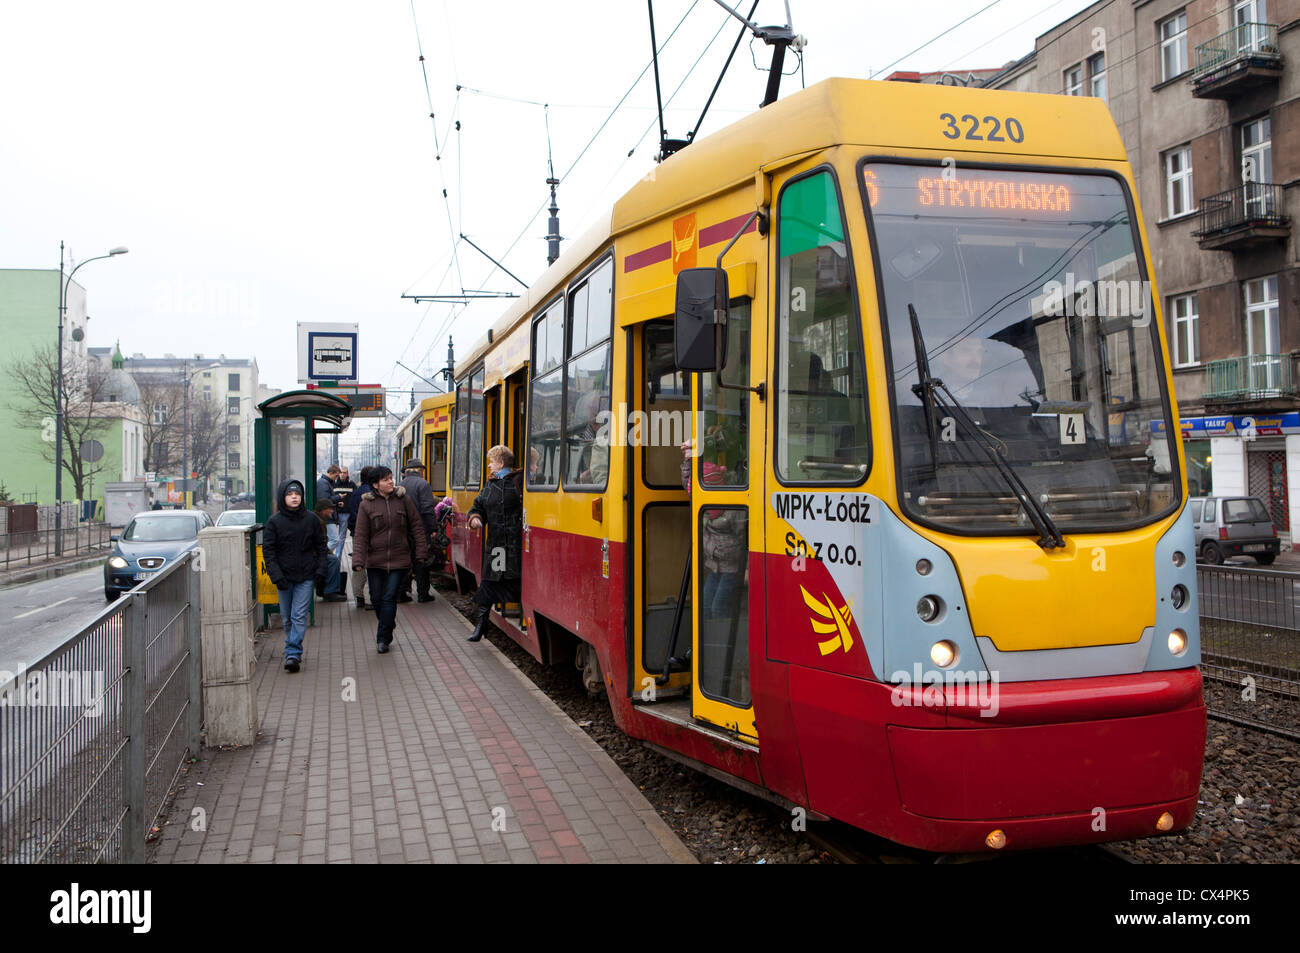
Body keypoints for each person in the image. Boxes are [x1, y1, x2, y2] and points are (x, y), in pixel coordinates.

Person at [353, 466, 429, 653]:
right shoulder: (366, 505)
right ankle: (388, 623)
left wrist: (421, 552)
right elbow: (361, 535)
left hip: (399, 559)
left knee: (388, 598)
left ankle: (383, 638)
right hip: (375, 561)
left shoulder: (404, 500)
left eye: (391, 478)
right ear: (375, 484)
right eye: (385, 479)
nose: (390, 482)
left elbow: (417, 527)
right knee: (377, 599)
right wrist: (358, 560)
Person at [263, 479, 328, 672]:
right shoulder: (274, 522)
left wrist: (320, 570)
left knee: (299, 615)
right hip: (283, 577)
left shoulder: (311, 519)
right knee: (287, 618)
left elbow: (321, 546)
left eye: (297, 494)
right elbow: (269, 551)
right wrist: (276, 576)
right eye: (290, 494)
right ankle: (294, 650)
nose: (294, 497)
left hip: (305, 576)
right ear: (283, 497)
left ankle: (292, 653)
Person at [466, 445, 523, 643]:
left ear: (500, 463)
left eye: (491, 462)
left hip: (517, 546)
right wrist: (474, 518)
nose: (489, 466)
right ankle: (481, 625)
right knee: (490, 582)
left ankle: (524, 620)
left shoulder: (519, 481)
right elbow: (477, 506)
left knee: (518, 582)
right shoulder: (489, 485)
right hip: (497, 547)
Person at [400, 458, 438, 603]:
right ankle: (423, 594)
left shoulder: (401, 484)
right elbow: (427, 508)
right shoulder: (423, 484)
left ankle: (402, 592)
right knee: (422, 560)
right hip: (420, 528)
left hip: (404, 529)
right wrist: (433, 528)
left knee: (405, 561)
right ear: (420, 470)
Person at [345, 466, 376, 609]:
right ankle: (370, 599)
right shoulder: (373, 494)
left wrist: (354, 531)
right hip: (371, 536)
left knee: (358, 565)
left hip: (357, 535)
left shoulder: (356, 493)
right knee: (370, 566)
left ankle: (358, 596)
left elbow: (351, 517)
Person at [313, 499, 348, 602]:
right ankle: (329, 592)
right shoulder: (318, 522)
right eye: (330, 509)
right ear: (323, 510)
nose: (332, 511)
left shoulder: (318, 519)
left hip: (311, 553)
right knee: (333, 560)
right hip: (311, 555)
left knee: (332, 559)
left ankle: (325, 589)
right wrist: (327, 554)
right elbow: (320, 544)